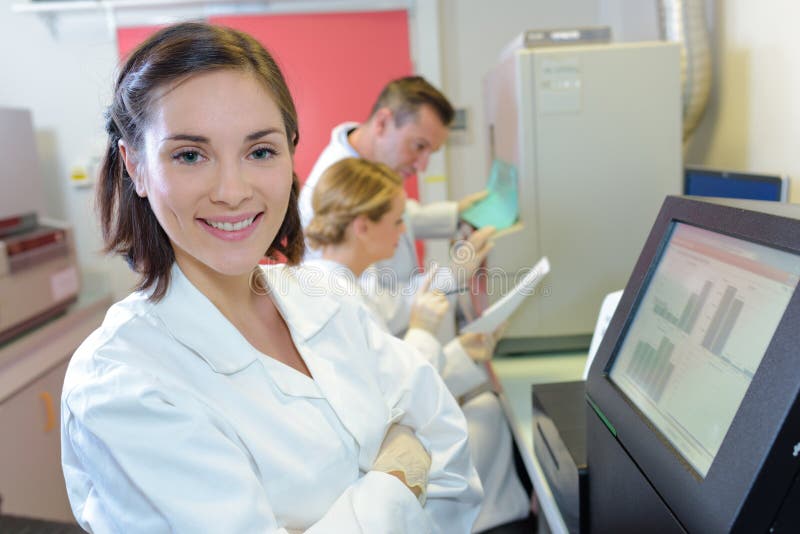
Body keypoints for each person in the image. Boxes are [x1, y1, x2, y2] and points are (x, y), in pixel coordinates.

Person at [60, 22, 482, 533]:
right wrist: (400, 471)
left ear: (289, 153)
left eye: (260, 151)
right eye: (190, 155)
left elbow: (456, 476)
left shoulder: (324, 296)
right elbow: (427, 460)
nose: (233, 191)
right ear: (136, 167)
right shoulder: (123, 383)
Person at [305, 158, 532, 533]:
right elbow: (393, 398)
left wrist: (459, 340)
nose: (402, 232)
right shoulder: (334, 300)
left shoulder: (354, 282)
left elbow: (400, 311)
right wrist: (426, 332)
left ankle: (502, 520)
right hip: (375, 466)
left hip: (382, 441)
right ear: (362, 227)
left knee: (487, 409)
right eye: (397, 222)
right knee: (486, 415)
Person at [299, 76, 495, 335]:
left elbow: (391, 214)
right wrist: (451, 276)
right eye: (418, 146)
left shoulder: (369, 166)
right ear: (382, 122)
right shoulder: (332, 192)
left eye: (430, 153)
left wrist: (455, 213)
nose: (422, 166)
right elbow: (375, 310)